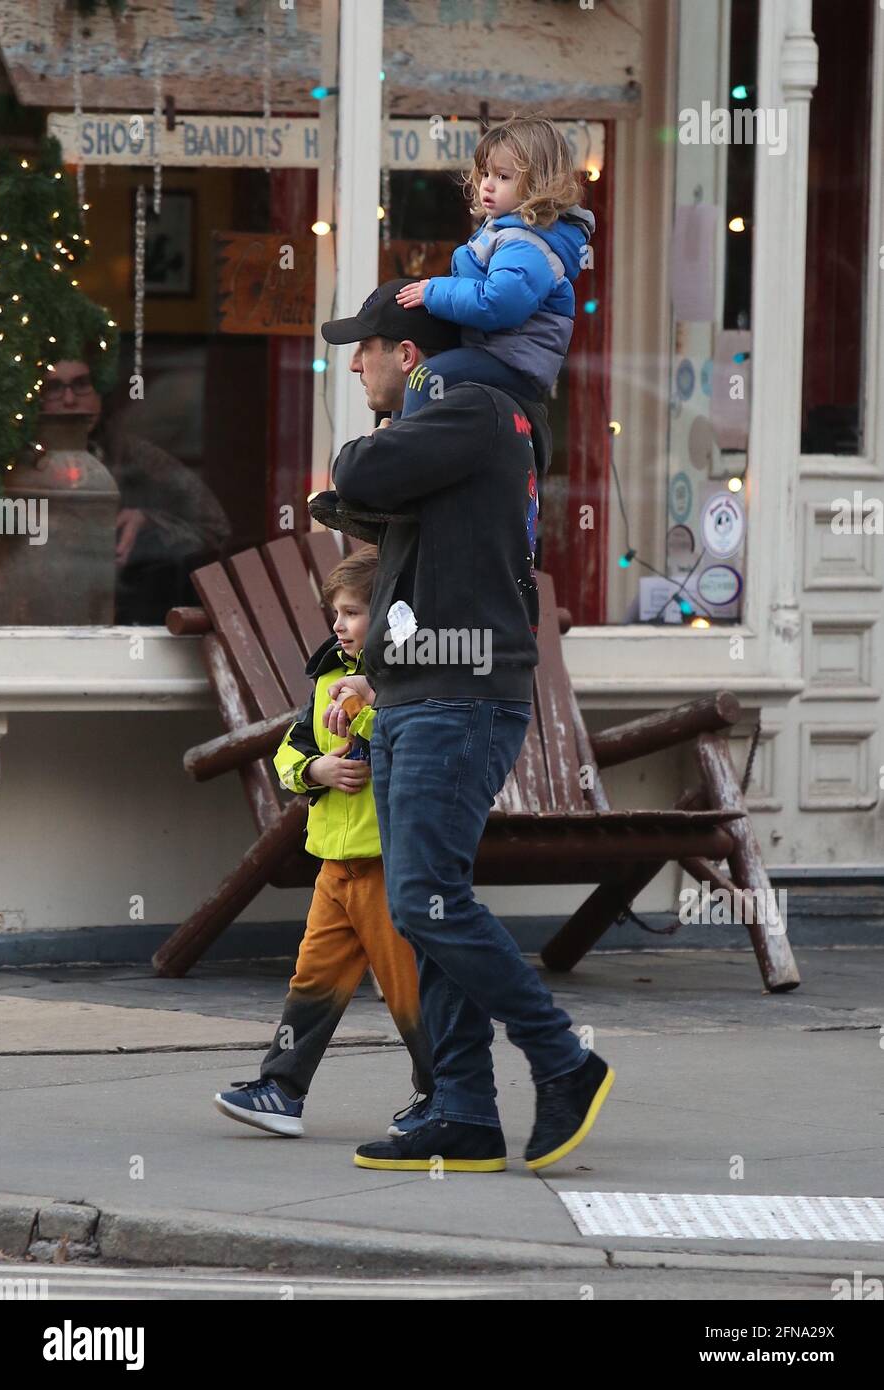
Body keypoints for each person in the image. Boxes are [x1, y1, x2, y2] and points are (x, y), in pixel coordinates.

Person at [313, 282, 615, 1174]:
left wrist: (364, 468)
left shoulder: (470, 409)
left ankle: (563, 1060)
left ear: (406, 354)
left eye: (364, 346)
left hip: (460, 692)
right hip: (421, 690)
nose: (353, 361)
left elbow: (356, 476)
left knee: (423, 899)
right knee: (429, 906)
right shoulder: (465, 421)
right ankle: (464, 1110)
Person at [213, 546, 434, 1139]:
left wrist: (362, 712)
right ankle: (281, 1090)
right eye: (335, 612)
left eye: (354, 612)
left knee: (408, 989)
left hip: (388, 865)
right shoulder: (328, 676)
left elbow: (410, 742)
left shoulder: (409, 682)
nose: (339, 624)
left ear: (388, 616)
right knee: (312, 978)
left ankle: (443, 1096)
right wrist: (317, 772)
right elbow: (292, 749)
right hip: (335, 866)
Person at [395, 115, 594, 417]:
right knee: (416, 373)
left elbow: (497, 303)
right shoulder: (504, 231)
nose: (487, 185)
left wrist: (434, 291)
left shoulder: (526, 245)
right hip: (494, 352)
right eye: (486, 173)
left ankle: (406, 456)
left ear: (539, 184)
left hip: (514, 363)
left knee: (424, 379)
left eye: (503, 177)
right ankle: (397, 442)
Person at [40, 359, 231, 624]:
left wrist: (149, 522)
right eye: (54, 388)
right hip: (28, 625)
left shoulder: (133, 456)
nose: (69, 400)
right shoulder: (14, 460)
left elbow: (215, 528)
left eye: (82, 385)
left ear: (101, 394)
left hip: (122, 628)